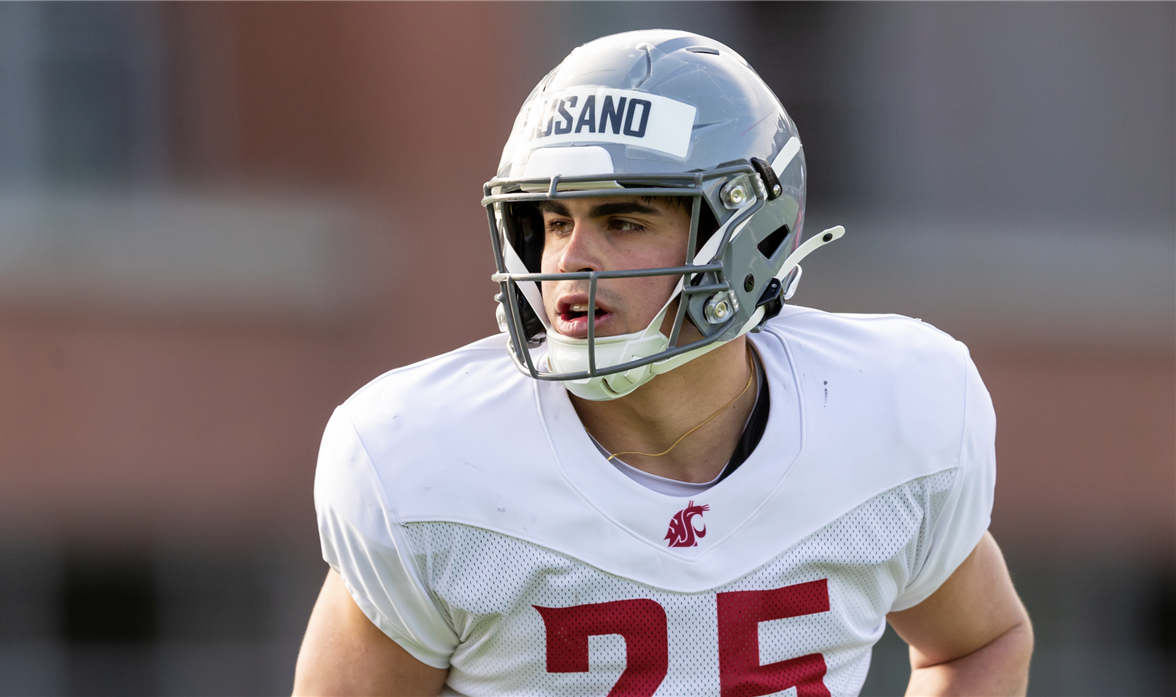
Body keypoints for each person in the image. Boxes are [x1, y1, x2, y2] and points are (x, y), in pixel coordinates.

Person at [293, 29, 1032, 697]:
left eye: (623, 220)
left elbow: (981, 643)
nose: (569, 262)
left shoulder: (886, 413)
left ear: (750, 235)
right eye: (553, 222)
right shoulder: (427, 460)